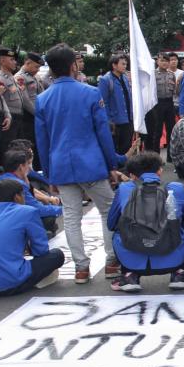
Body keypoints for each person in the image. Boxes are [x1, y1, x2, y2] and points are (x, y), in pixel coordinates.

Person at [35, 43, 125, 284]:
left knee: (72, 217)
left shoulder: (42, 99)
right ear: (73, 65)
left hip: (61, 166)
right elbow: (103, 134)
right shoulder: (90, 92)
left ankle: (81, 268)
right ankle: (111, 261)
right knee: (109, 210)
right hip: (91, 163)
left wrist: (50, 175)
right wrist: (112, 164)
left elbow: (42, 143)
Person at [106, 151, 184, 292]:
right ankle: (180, 273)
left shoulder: (124, 189)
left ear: (132, 175)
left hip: (132, 252)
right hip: (172, 255)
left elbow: (111, 224)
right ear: (160, 171)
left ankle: (129, 274)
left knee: (119, 230)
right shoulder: (176, 188)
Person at [0, 178, 64, 295]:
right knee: (57, 255)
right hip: (7, 282)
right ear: (17, 196)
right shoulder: (28, 211)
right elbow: (41, 250)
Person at [0, 148, 63, 222]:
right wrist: (63, 209)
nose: (29, 167)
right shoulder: (18, 185)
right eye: (27, 164)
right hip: (15, 221)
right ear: (21, 167)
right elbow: (39, 210)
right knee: (48, 218)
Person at [98, 54, 134, 155]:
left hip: (128, 119)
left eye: (126, 64)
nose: (125, 66)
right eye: (122, 64)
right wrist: (109, 120)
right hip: (115, 122)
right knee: (115, 148)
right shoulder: (105, 80)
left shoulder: (125, 78)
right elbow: (103, 102)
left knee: (126, 147)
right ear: (114, 65)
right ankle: (116, 168)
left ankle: (125, 169)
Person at [146, 51, 176, 153]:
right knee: (157, 130)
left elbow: (175, 90)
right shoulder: (152, 74)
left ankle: (170, 155)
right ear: (157, 61)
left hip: (169, 103)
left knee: (171, 130)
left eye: (167, 61)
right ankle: (156, 154)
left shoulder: (171, 75)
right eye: (162, 60)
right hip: (157, 104)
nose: (165, 63)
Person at [0, 48, 24, 146]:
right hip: (10, 118)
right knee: (8, 147)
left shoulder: (12, 77)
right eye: (11, 60)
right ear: (2, 61)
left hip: (18, 117)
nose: (15, 62)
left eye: (14, 60)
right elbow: (0, 102)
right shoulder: (0, 79)